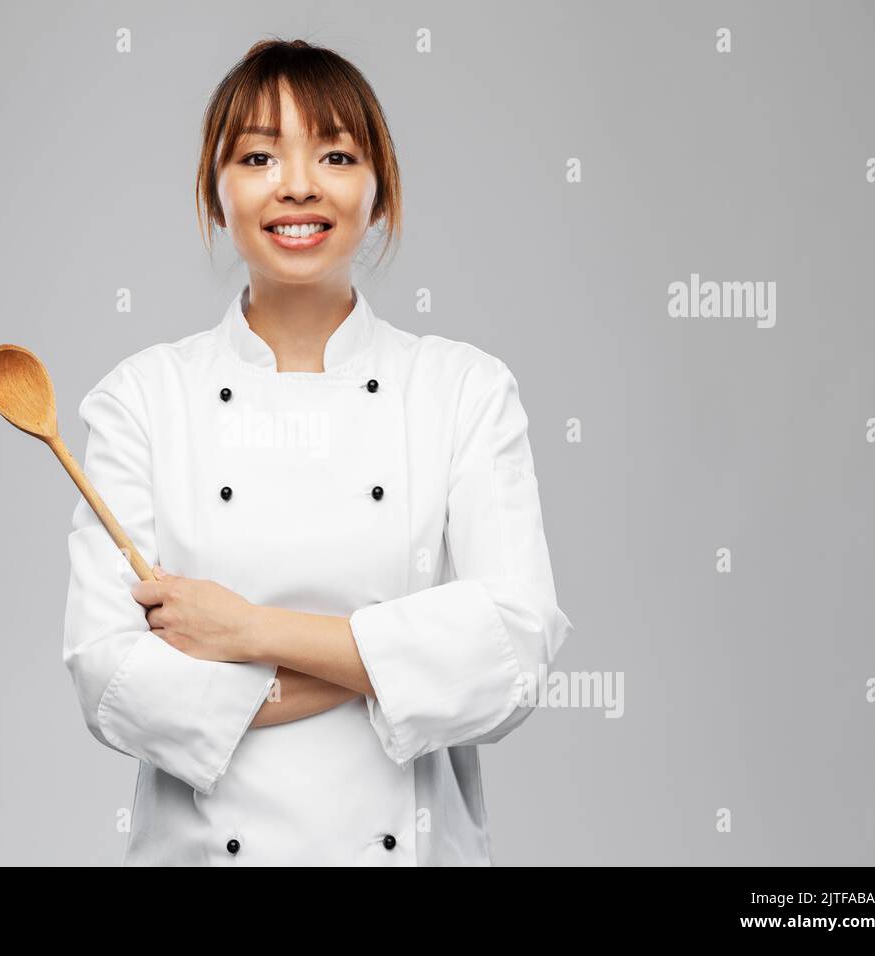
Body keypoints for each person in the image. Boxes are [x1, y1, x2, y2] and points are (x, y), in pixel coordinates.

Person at [62, 37, 573, 866]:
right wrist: (399, 662)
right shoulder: (142, 399)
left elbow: (512, 652)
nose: (297, 184)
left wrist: (246, 628)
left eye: (335, 153)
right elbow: (113, 680)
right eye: (259, 155)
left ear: (380, 195)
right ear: (215, 195)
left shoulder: (461, 389)